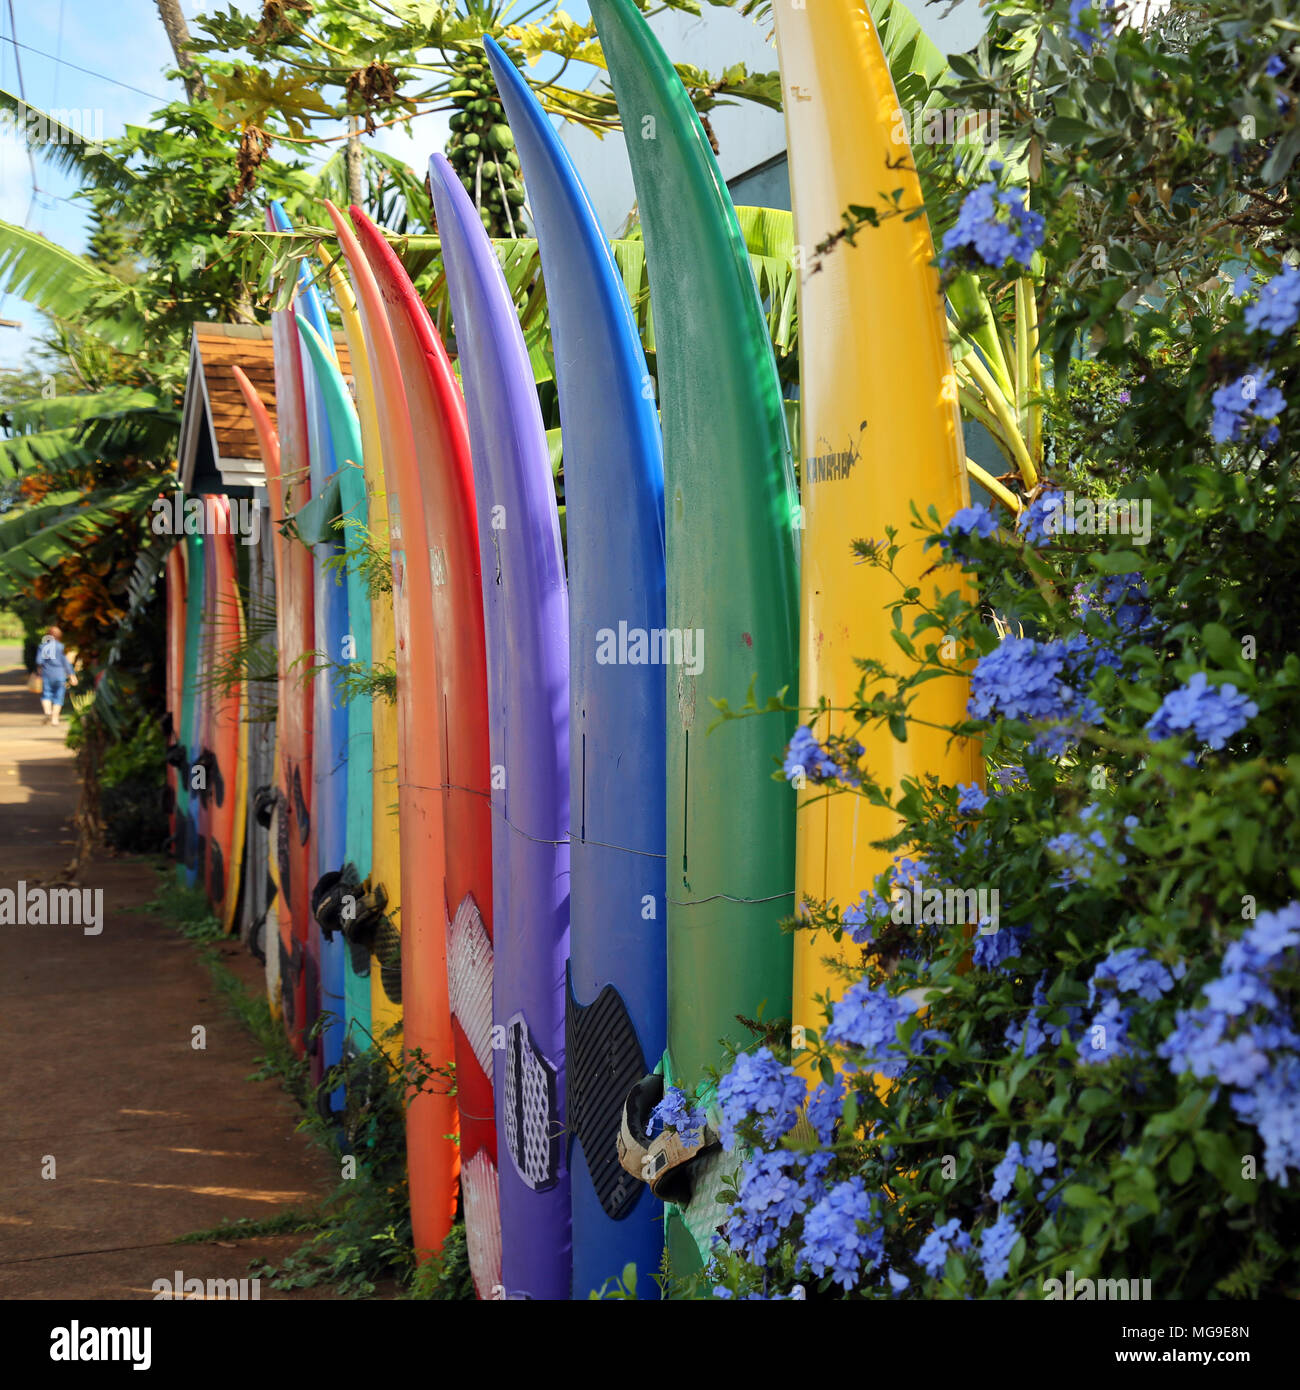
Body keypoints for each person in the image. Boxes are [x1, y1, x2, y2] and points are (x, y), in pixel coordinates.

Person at [35, 625, 77, 726]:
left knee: (46, 695)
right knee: (59, 696)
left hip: (47, 674)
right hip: (59, 675)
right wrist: (71, 675)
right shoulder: (61, 647)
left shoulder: (43, 647)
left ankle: (47, 711)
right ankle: (55, 719)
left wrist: (38, 673)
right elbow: (66, 663)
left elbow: (39, 661)